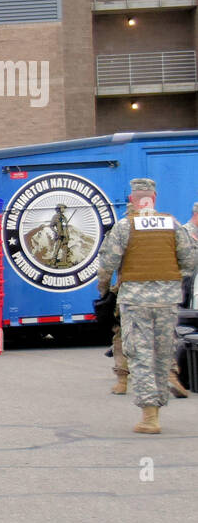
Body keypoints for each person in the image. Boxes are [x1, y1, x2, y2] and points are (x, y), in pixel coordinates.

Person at [96, 178, 198, 434]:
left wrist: (105, 289)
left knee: (141, 355)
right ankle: (158, 405)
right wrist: (170, 281)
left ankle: (149, 416)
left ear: (132, 200)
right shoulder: (173, 224)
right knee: (163, 354)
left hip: (135, 300)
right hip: (167, 299)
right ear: (154, 198)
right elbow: (189, 260)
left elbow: (108, 264)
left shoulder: (124, 227)